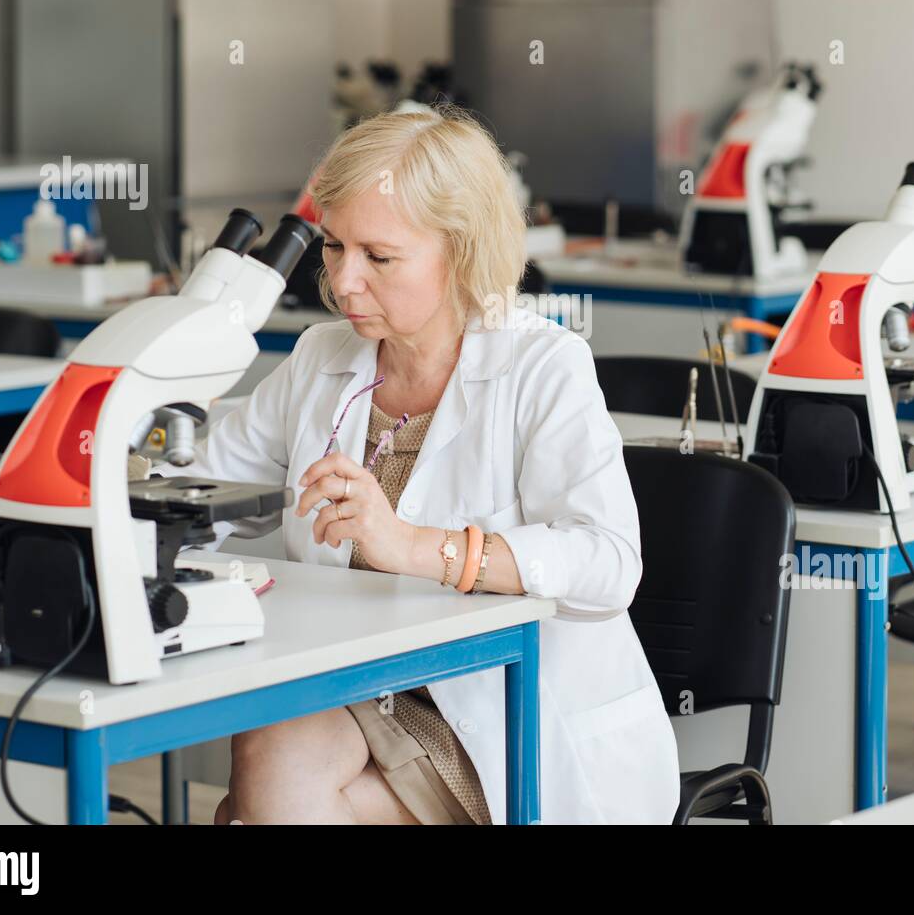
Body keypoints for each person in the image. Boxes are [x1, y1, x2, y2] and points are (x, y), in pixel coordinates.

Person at [177, 105, 679, 824]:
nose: (345, 282)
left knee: (254, 814)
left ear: (462, 253)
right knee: (270, 751)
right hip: (362, 687)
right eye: (332, 247)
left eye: (379, 257)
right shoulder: (322, 357)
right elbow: (199, 487)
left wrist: (413, 548)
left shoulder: (543, 366)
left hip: (500, 717)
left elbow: (608, 563)